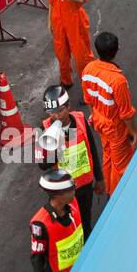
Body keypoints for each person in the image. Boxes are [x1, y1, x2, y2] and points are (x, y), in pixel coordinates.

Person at [40, 85, 103, 238]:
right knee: (70, 229)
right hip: (63, 191)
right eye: (52, 113)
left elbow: (92, 149)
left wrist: (100, 178)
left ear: (68, 107)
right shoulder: (46, 128)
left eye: (60, 110)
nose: (57, 116)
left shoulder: (80, 120)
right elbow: (43, 165)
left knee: (86, 224)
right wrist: (55, 147)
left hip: (84, 186)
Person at [81, 31, 137, 196]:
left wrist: (95, 116)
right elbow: (126, 113)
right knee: (122, 164)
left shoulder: (88, 69)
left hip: (99, 121)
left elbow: (88, 99)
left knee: (107, 155)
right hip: (115, 127)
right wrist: (134, 133)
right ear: (116, 50)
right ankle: (115, 196)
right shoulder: (118, 81)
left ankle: (108, 187)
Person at [29, 169, 84, 272]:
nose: (74, 191)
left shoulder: (73, 204)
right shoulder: (40, 224)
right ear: (57, 195)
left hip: (81, 268)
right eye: (70, 190)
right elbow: (37, 260)